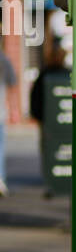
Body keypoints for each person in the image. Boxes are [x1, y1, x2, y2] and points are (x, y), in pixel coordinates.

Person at [29, 44, 71, 195]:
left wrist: (38, 117)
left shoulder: (45, 75)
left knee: (47, 148)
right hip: (57, 121)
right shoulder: (66, 75)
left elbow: (34, 99)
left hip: (48, 121)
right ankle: (55, 179)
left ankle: (51, 178)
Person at [0, 47, 19, 197]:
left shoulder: (4, 60)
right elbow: (13, 86)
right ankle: (0, 179)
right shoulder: (4, 59)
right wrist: (14, 109)